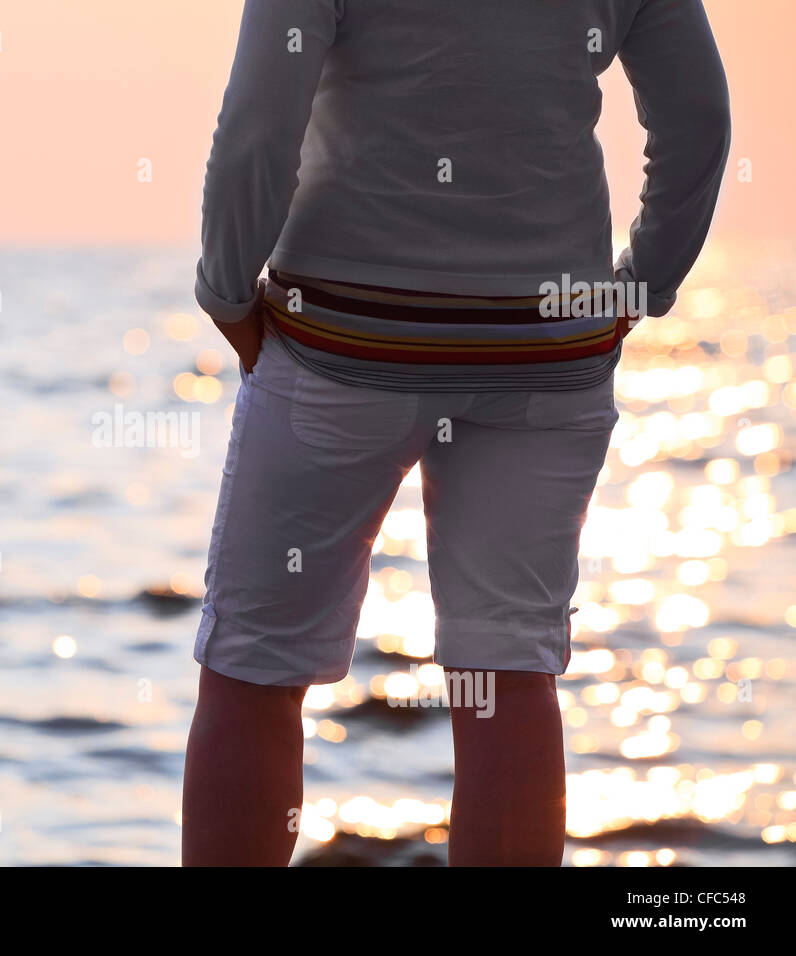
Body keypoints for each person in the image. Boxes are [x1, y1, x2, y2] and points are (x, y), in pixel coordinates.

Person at [182, 0, 730, 866]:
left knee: (257, 666)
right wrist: (640, 284)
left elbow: (259, 127)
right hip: (545, 346)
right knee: (508, 675)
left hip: (338, 343)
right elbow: (699, 119)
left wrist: (225, 290)